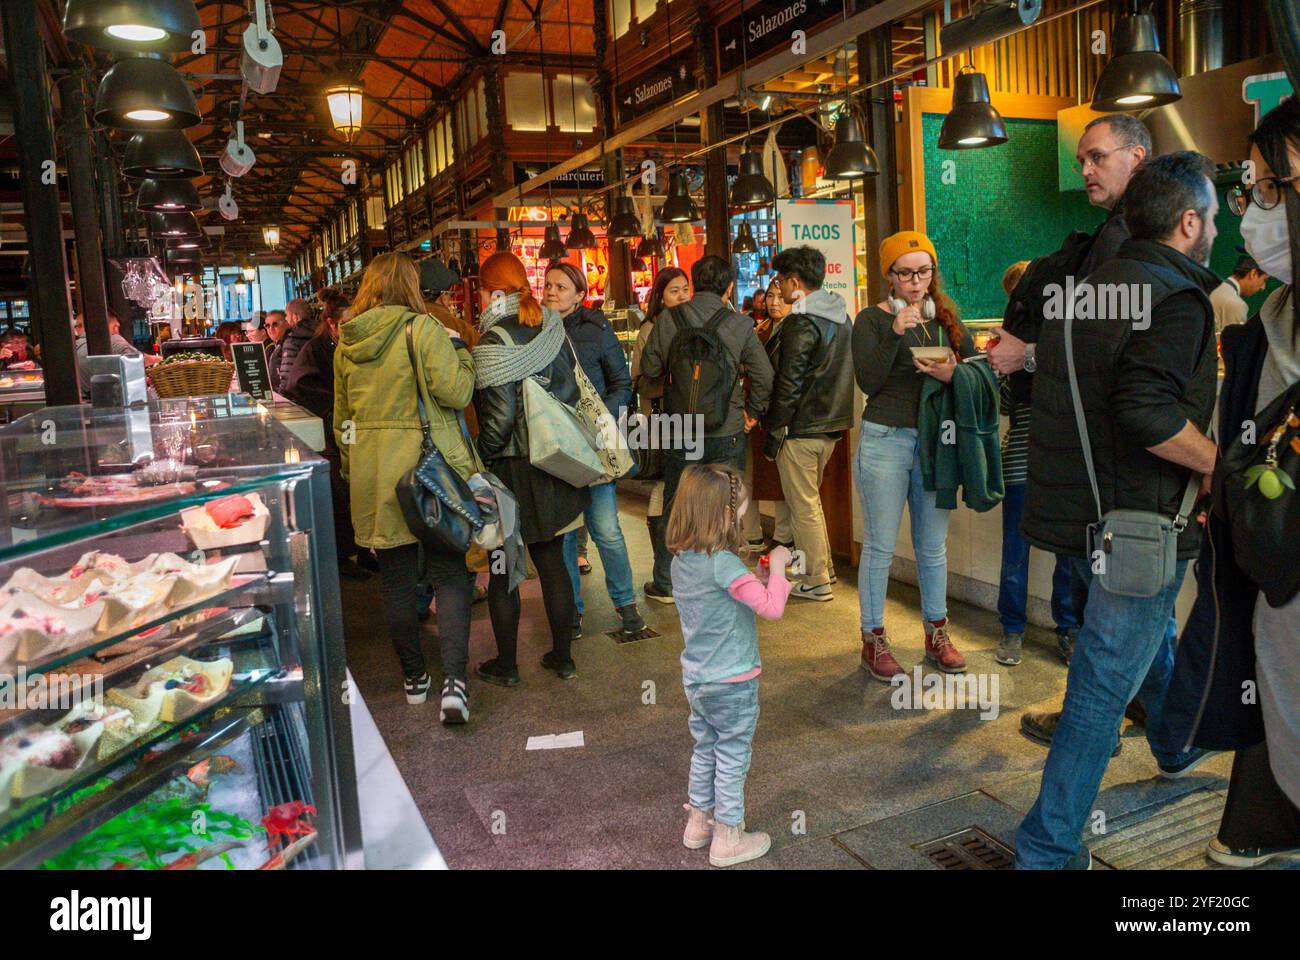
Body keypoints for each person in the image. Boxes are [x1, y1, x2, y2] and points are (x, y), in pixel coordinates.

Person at [1014, 152, 1224, 870]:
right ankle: (1046, 848)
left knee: (1137, 645)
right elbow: (1145, 411)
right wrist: (1218, 463)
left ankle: (1171, 744)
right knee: (1102, 687)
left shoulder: (1087, 290)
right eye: (1216, 218)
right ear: (1189, 221)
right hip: (1138, 526)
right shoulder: (1176, 298)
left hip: (1083, 518)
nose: (1218, 230)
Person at [1157, 99, 1300, 868]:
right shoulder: (1271, 314)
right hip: (1274, 587)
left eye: (1271, 189)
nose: (1254, 213)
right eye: (1250, 190)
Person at [988, 111, 1155, 742]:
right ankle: (1158, 726)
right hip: (1110, 456)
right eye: (1081, 159)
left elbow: (1098, 346)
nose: (1084, 168)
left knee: (1112, 599)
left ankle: (1097, 725)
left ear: (1135, 157)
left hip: (1110, 458)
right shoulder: (1125, 233)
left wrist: (1026, 353)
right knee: (1129, 603)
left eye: (1096, 157)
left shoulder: (1128, 239)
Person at [334, 253, 479, 723]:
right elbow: (456, 393)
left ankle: (415, 678)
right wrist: (460, 352)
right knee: (450, 574)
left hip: (377, 479)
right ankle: (455, 685)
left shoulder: (346, 344)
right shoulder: (424, 330)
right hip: (427, 475)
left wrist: (356, 469)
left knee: (396, 581)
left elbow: (344, 425)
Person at [852, 231, 977, 680]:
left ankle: (937, 632)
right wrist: (894, 332)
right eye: (905, 273)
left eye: (923, 271)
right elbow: (869, 380)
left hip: (932, 440)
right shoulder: (870, 320)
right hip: (885, 437)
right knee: (881, 546)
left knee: (932, 546)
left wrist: (952, 372)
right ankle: (874, 638)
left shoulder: (945, 318)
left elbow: (974, 369)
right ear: (889, 276)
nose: (916, 281)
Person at [472, 251, 590, 682]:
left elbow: (499, 421)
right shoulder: (551, 325)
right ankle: (563, 657)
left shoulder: (491, 342)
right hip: (553, 460)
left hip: (512, 469)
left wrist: (482, 458)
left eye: (483, 291)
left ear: (493, 291)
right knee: (553, 560)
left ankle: (506, 666)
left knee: (503, 568)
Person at [670, 463, 791, 868]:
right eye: (740, 510)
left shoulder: (683, 560)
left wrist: (754, 575)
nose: (742, 517)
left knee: (705, 748)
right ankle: (728, 837)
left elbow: (729, 596)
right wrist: (776, 568)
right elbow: (771, 608)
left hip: (698, 681)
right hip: (733, 682)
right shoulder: (724, 564)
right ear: (722, 515)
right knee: (733, 754)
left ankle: (698, 824)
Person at [639, 255, 774, 603]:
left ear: (695, 284)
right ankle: (725, 580)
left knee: (675, 504)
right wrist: (753, 413)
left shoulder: (670, 319)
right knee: (729, 506)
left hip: (680, 427)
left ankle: (666, 583)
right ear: (729, 287)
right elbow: (764, 376)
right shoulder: (740, 324)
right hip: (726, 428)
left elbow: (650, 368)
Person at [544, 261, 645, 639]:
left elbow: (622, 383)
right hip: (556, 449)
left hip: (597, 445)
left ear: (580, 295)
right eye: (549, 285)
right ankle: (571, 612)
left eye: (562, 286)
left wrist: (604, 421)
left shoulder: (598, 330)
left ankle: (626, 606)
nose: (552, 292)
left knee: (606, 530)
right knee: (566, 535)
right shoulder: (536, 330)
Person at [993, 260, 1080, 667]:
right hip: (1050, 460)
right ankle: (1062, 629)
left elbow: (1008, 403)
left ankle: (1017, 631)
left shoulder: (1052, 340)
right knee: (1063, 553)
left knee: (1024, 550)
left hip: (1042, 460)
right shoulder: (1064, 334)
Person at [763, 245, 854, 602]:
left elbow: (790, 383)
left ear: (795, 281)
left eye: (781, 281)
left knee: (803, 507)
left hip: (801, 427)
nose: (779, 289)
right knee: (810, 504)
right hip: (831, 425)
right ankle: (823, 569)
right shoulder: (841, 316)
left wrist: (775, 431)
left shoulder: (802, 321)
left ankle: (815, 579)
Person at [287, 289, 368, 580]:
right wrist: (334, 407)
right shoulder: (316, 348)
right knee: (338, 493)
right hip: (329, 431)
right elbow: (299, 386)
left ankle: (365, 550)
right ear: (332, 323)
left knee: (357, 490)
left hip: (352, 428)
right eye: (347, 321)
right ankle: (343, 557)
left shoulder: (349, 345)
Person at [631, 266, 690, 589]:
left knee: (679, 488)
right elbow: (640, 379)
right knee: (664, 486)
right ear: (661, 297)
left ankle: (673, 571)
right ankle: (664, 568)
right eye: (674, 291)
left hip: (689, 420)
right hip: (662, 417)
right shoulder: (650, 329)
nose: (681, 296)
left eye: (685, 289)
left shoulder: (695, 322)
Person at [746, 275, 794, 552]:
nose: (774, 303)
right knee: (766, 477)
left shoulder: (796, 330)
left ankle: (784, 537)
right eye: (771, 297)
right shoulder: (761, 330)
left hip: (782, 414)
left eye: (780, 296)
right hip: (760, 414)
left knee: (782, 481)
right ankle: (775, 536)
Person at [74, 309, 160, 397]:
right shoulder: (114, 340)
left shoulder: (75, 347)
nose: (117, 331)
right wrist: (160, 359)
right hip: (103, 406)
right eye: (117, 326)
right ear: (114, 327)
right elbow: (138, 360)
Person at [1210, 253, 1269, 333]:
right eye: (1264, 280)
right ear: (1253, 273)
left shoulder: (1214, 287)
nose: (1263, 287)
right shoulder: (1236, 305)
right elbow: (1233, 344)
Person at [270, 298, 316, 392]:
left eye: (287, 315)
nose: (286, 319)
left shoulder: (293, 340)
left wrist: (282, 395)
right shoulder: (320, 333)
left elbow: (287, 375)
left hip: (299, 396)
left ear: (295, 317)